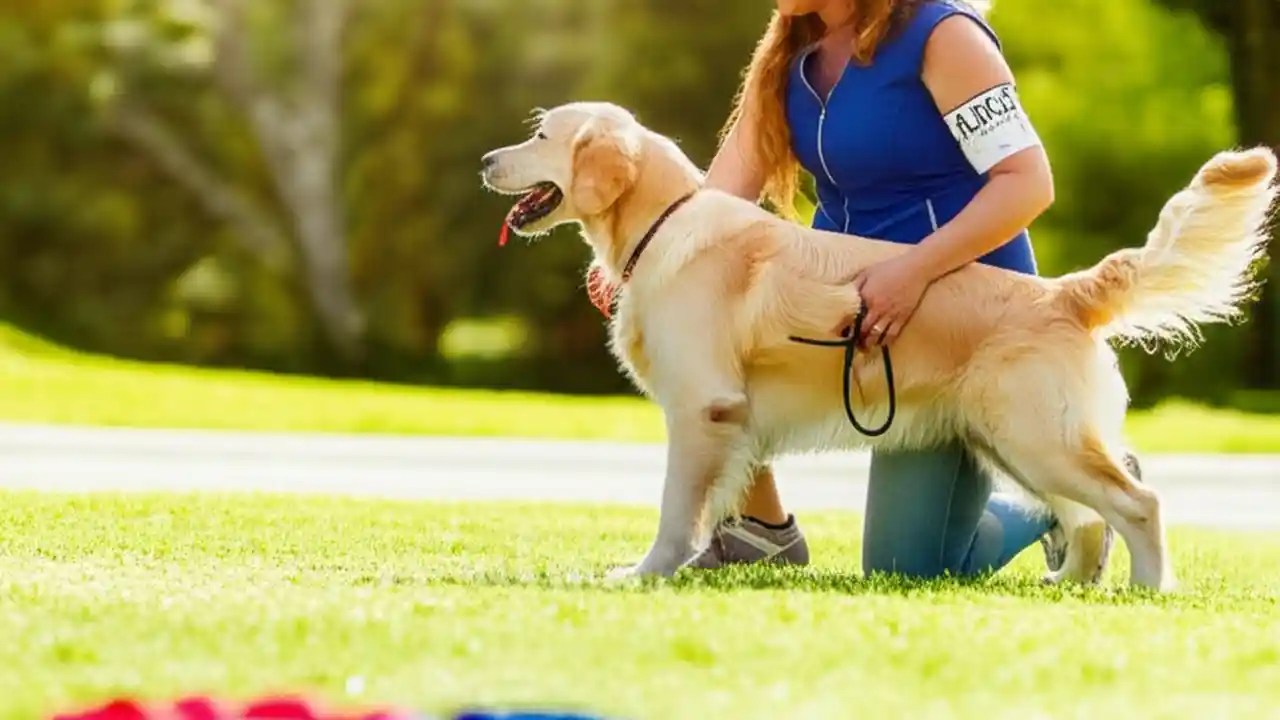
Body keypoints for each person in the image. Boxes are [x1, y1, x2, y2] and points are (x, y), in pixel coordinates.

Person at [665, 0, 1141, 579]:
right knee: (697, 351)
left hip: (966, 336)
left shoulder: (945, 36)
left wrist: (914, 272)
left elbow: (1027, 183)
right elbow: (718, 205)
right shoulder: (788, 52)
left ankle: (1076, 496)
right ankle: (760, 530)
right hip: (848, 320)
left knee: (907, 568)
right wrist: (648, 264)